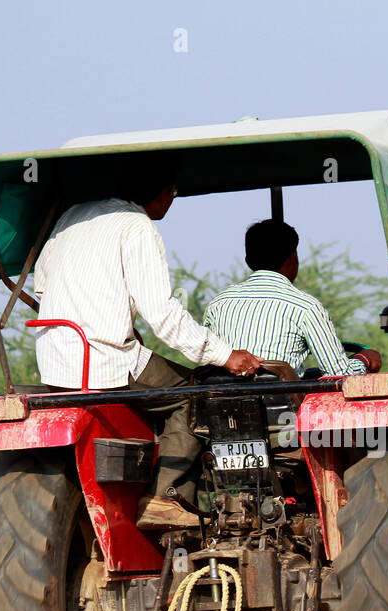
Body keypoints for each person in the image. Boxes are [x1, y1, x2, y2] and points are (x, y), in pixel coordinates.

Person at [33, 162, 263, 530]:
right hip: (106, 360)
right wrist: (226, 355)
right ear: (162, 194)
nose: (171, 201)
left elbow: (41, 285)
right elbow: (163, 315)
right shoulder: (137, 226)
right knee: (198, 395)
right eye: (172, 193)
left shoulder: (74, 215)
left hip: (56, 362)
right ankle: (165, 498)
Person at [204, 219, 382, 377]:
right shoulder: (305, 307)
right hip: (284, 409)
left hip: (218, 407)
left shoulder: (218, 303)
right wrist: (364, 360)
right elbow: (339, 374)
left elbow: (209, 361)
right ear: (293, 258)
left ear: (248, 261)